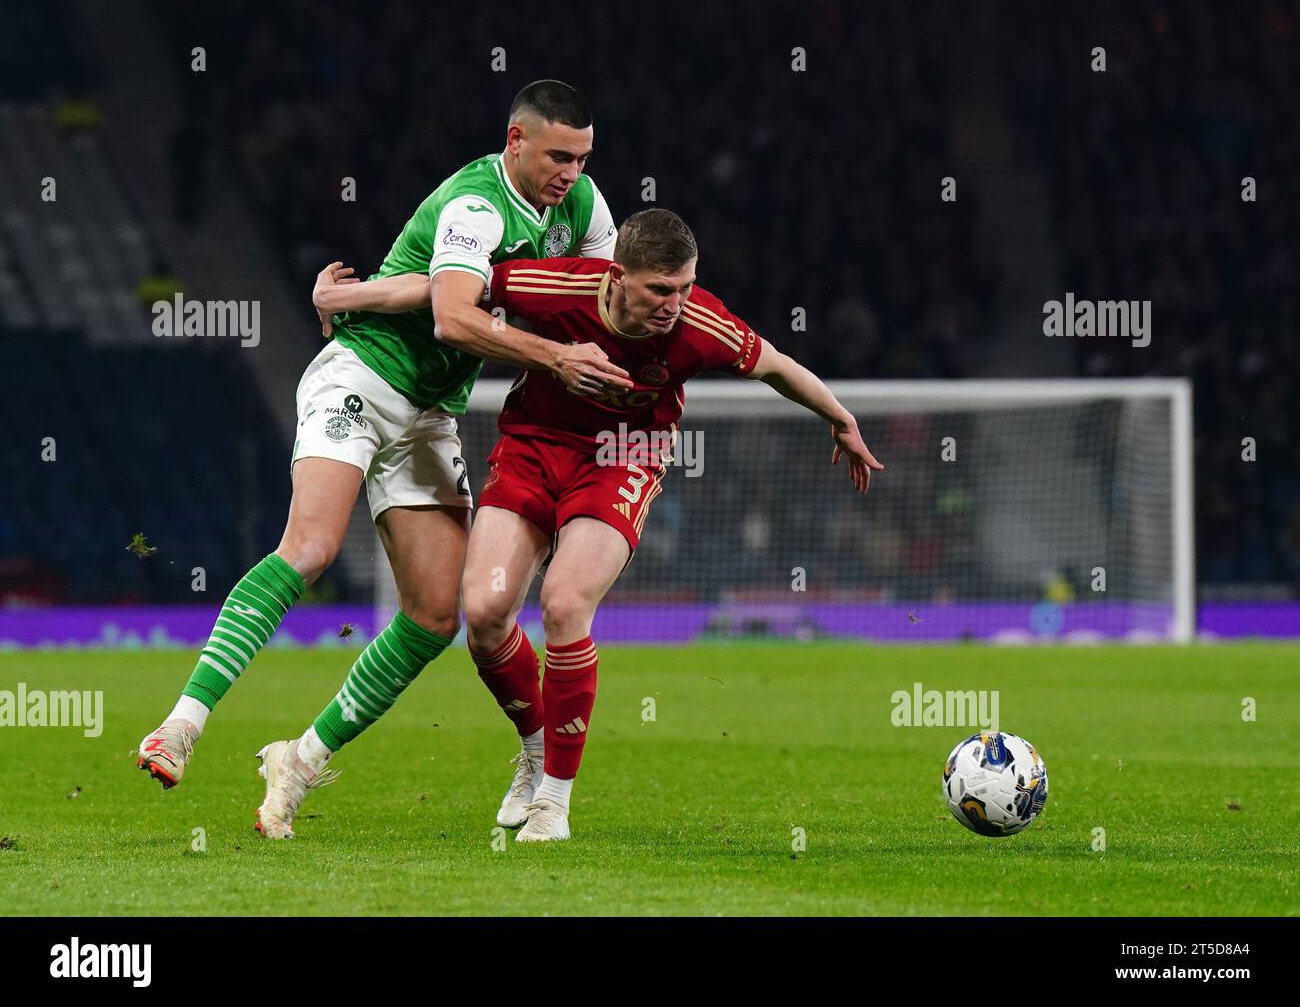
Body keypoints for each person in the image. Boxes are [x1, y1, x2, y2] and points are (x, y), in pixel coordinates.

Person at [136, 80, 632, 841]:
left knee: (437, 615)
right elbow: (453, 314)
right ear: (516, 143)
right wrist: (559, 358)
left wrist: (356, 292)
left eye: (583, 157)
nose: (572, 172)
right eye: (558, 155)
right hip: (362, 379)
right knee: (310, 548)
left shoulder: (585, 209)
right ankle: (182, 723)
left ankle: (298, 759)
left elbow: (573, 300)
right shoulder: (475, 205)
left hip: (431, 413)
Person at [451, 208, 884, 841]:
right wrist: (351, 297)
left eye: (684, 286)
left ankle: (555, 801)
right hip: (532, 448)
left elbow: (777, 366)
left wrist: (840, 419)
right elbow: (450, 286)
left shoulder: (701, 323)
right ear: (618, 275)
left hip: (623, 457)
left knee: (565, 604)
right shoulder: (557, 284)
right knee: (485, 614)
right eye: (660, 289)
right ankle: (537, 748)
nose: (675, 304)